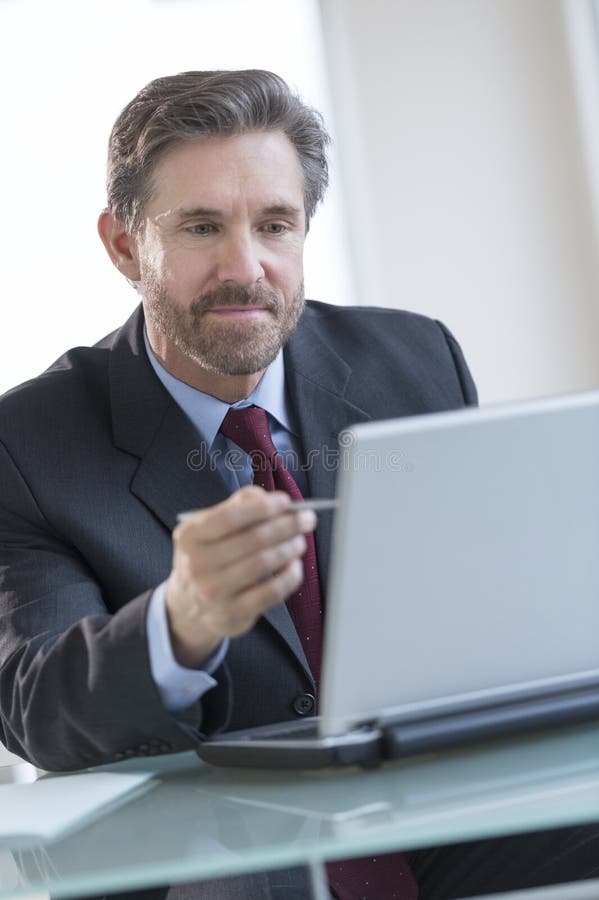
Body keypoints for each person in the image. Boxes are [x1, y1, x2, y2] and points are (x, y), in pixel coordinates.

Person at [0, 69, 597, 900]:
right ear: (125, 246)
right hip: (211, 851)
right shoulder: (27, 444)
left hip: (435, 818)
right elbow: (38, 710)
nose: (245, 268)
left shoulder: (416, 360)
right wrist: (183, 622)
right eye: (202, 227)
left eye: (274, 225)